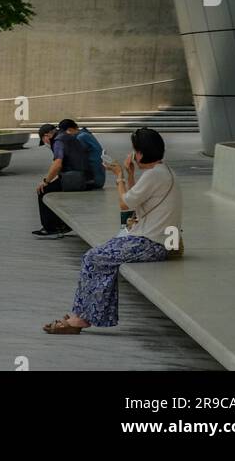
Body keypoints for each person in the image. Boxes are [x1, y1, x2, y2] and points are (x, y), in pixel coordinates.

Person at [42, 127, 183, 333]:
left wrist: (119, 176)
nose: (133, 155)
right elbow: (137, 199)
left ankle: (81, 318)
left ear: (141, 153)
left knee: (93, 257)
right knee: (94, 256)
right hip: (151, 239)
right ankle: (80, 314)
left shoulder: (155, 175)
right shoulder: (161, 171)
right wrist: (130, 173)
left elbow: (126, 204)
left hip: (152, 243)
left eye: (135, 151)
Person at [32, 118, 92, 238]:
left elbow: (58, 163)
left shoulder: (58, 141)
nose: (45, 143)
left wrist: (46, 181)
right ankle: (62, 225)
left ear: (47, 135)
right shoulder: (65, 136)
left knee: (43, 191)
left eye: (43, 140)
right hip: (82, 176)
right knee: (53, 186)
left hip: (75, 178)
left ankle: (51, 228)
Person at [60, 118, 106, 189]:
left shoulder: (80, 137)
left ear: (70, 130)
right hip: (99, 176)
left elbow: (75, 156)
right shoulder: (84, 133)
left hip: (94, 180)